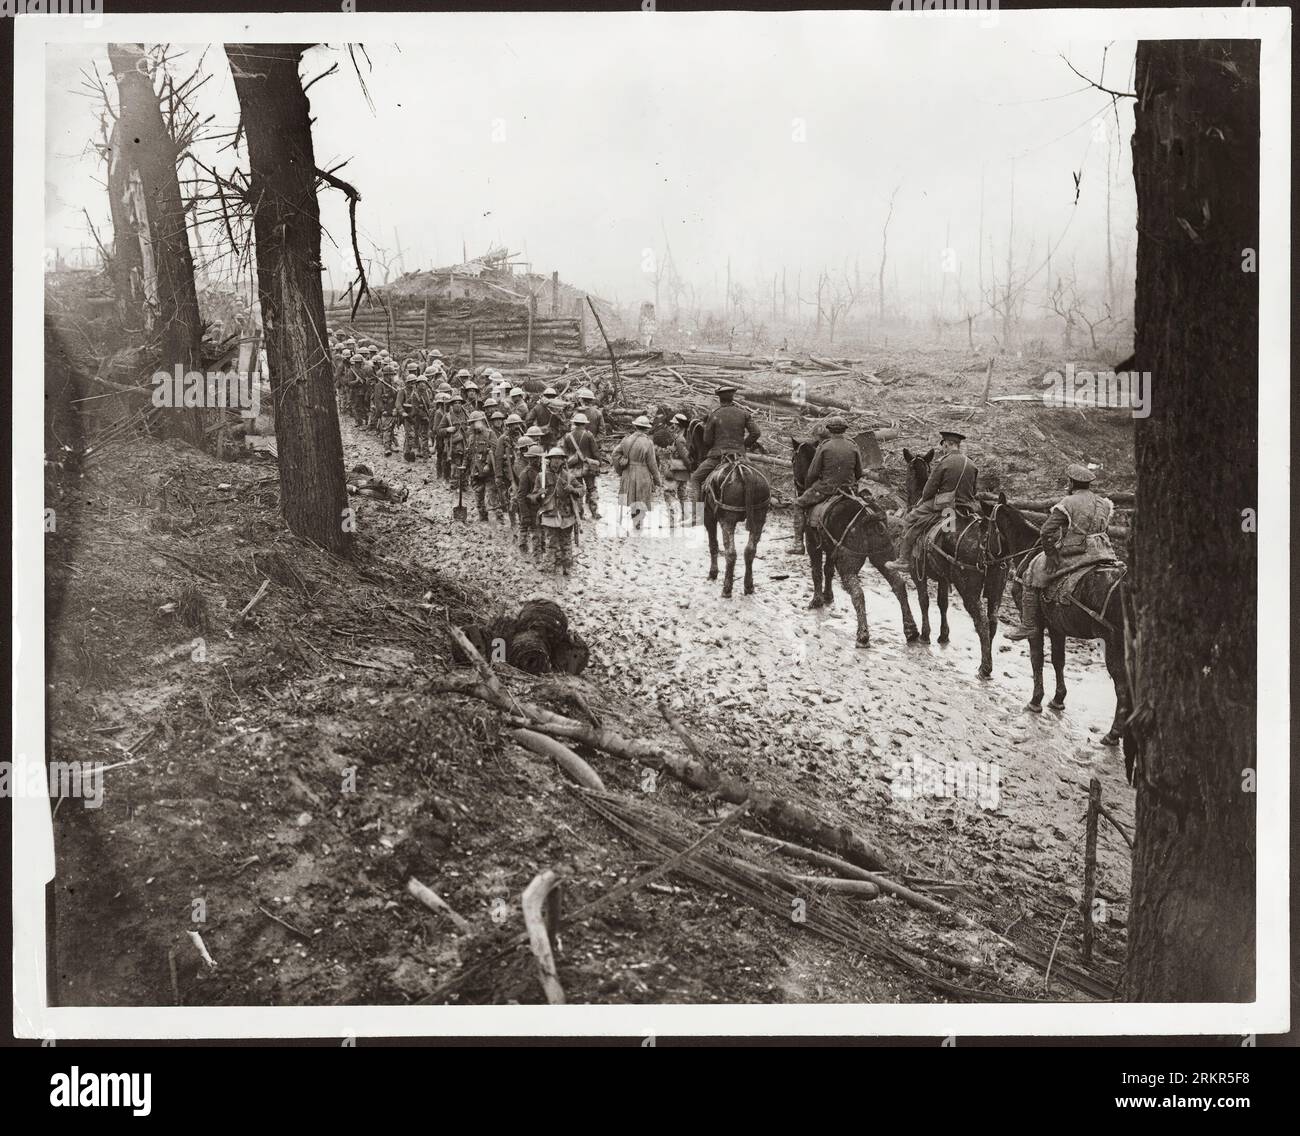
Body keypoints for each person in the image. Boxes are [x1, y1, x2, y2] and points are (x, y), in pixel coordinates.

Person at [1005, 465, 1116, 640]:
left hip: (1077, 552)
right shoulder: (1103, 503)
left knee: (1031, 572)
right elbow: (1104, 529)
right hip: (1104, 552)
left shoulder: (1068, 502)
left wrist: (1051, 554)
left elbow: (1045, 531)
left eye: (1069, 482)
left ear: (1072, 483)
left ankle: (1028, 625)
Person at [885, 429, 979, 570]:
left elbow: (929, 490)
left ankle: (903, 559)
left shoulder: (944, 462)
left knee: (910, 519)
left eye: (943, 446)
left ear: (947, 444)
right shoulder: (971, 464)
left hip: (945, 506)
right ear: (958, 445)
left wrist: (923, 501)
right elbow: (974, 490)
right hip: (966, 506)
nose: (943, 449)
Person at [688, 385, 760, 503]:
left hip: (718, 457)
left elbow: (707, 440)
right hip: (740, 456)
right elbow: (756, 433)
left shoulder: (714, 414)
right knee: (756, 476)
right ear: (732, 397)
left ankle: (697, 514)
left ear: (719, 398)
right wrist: (743, 445)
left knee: (695, 478)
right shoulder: (744, 413)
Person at [530, 446, 585, 574]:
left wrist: (572, 490)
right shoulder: (541, 477)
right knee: (551, 543)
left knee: (566, 542)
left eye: (559, 459)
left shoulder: (569, 477)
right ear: (549, 460)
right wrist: (539, 494)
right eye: (554, 458)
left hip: (566, 515)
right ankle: (550, 567)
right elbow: (532, 497)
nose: (556, 461)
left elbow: (582, 489)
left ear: (563, 461)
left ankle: (568, 567)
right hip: (549, 514)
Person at [612, 415, 663, 531]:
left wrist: (620, 469)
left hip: (628, 472)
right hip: (642, 473)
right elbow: (652, 464)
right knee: (641, 496)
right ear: (647, 429)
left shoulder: (626, 439)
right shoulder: (648, 443)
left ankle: (632, 519)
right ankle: (638, 521)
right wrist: (657, 480)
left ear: (635, 426)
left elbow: (615, 454)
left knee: (630, 495)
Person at [562, 411, 601, 519]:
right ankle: (594, 512)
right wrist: (598, 462)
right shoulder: (589, 435)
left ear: (574, 423)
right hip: (587, 466)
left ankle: (579, 513)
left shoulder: (568, 436)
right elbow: (595, 451)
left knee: (578, 490)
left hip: (574, 467)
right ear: (584, 423)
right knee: (592, 488)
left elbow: (565, 454)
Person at [465, 410, 500, 522]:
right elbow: (469, 454)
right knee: (478, 494)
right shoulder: (471, 437)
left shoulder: (490, 434)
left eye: (476, 422)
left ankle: (498, 519)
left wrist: (488, 464)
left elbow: (494, 450)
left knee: (492, 494)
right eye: (473, 423)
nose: (475, 425)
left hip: (488, 470)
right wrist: (464, 467)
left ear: (482, 421)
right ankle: (483, 517)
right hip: (476, 470)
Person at [515, 442, 546, 556]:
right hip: (529, 505)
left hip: (539, 505)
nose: (536, 460)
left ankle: (540, 550)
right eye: (533, 458)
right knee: (527, 527)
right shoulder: (525, 474)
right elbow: (521, 496)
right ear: (529, 459)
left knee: (540, 529)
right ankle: (527, 551)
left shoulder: (542, 471)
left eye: (537, 458)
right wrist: (525, 513)